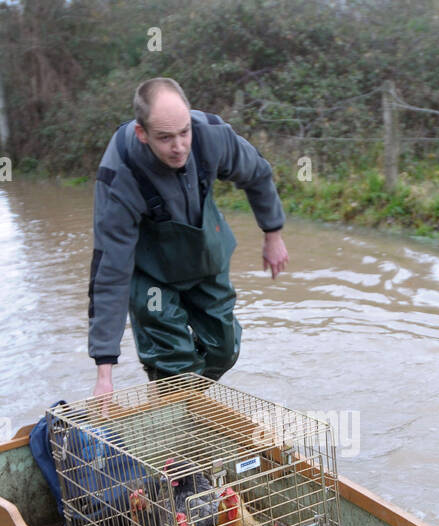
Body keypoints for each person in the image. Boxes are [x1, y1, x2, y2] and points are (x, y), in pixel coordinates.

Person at [88, 77, 289, 395]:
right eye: (165, 138)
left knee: (224, 349)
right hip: (151, 274)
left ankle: (186, 394)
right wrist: (104, 371)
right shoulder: (118, 177)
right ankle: (176, 395)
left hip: (203, 254)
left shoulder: (210, 135)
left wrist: (272, 233)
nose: (179, 146)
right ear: (142, 134)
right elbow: (109, 271)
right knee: (175, 365)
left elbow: (257, 173)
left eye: (184, 132)